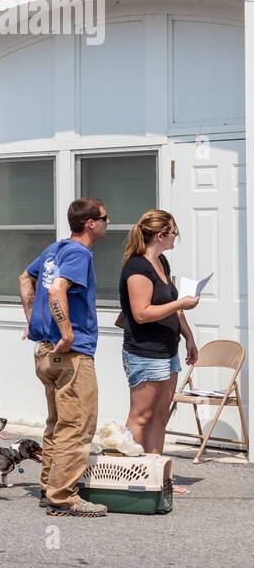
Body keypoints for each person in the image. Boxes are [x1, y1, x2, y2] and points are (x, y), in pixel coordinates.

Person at [19, 197, 110, 517]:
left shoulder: (54, 249)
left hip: (45, 352)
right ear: (90, 223)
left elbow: (24, 278)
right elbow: (57, 289)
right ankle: (63, 496)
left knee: (58, 423)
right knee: (77, 424)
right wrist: (67, 332)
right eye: (104, 218)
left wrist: (32, 319)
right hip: (70, 354)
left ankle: (49, 486)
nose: (107, 223)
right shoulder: (79, 253)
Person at [119, 210, 200, 470]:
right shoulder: (137, 267)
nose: (176, 237)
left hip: (167, 351)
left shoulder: (161, 262)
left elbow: (171, 306)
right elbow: (141, 314)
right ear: (160, 235)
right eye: (175, 232)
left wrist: (187, 335)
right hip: (145, 352)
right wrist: (181, 302)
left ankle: (155, 474)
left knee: (160, 416)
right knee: (141, 416)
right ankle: (129, 472)